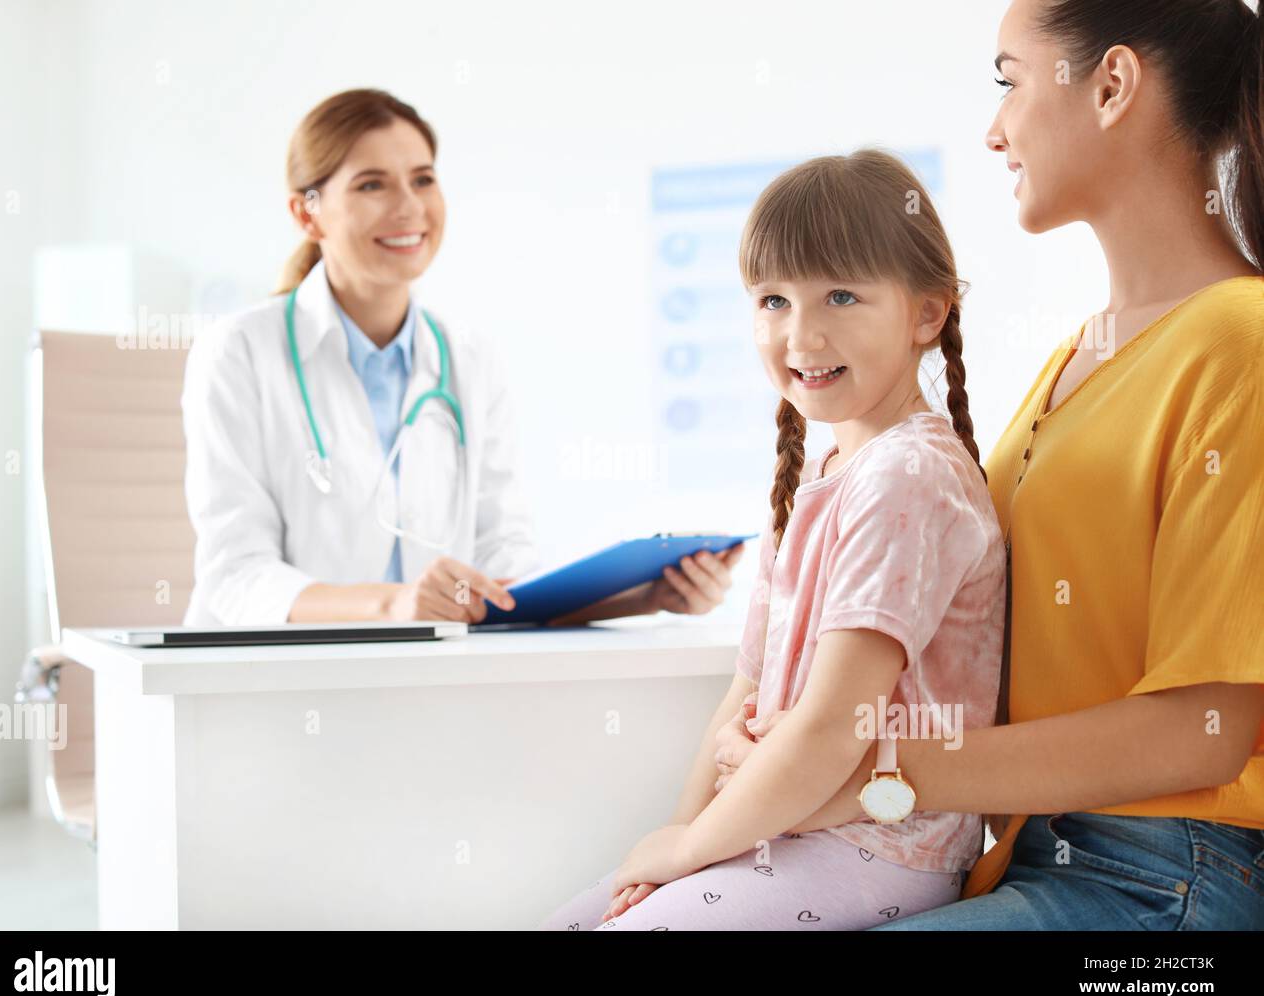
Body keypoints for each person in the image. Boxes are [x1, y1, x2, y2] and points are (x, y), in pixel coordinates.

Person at [858, 0, 1264, 929]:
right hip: (1027, 860)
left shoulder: (1243, 342)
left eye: (1011, 81)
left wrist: (888, 768)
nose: (995, 129)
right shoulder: (1074, 357)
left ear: (1112, 85)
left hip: (1164, 880)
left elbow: (1203, 731)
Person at [539, 150, 1006, 929]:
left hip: (881, 848)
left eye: (842, 295)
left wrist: (690, 852)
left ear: (928, 313)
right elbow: (746, 687)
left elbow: (833, 725)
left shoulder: (909, 476)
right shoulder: (820, 470)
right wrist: (685, 836)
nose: (802, 332)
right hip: (778, 826)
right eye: (773, 299)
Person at [181, 88, 742, 627]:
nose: (408, 207)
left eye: (423, 179)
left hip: (425, 687)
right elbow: (236, 575)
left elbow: (504, 575)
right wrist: (395, 606)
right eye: (372, 185)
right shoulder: (239, 352)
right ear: (307, 215)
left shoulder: (467, 359)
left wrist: (645, 597)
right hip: (262, 690)